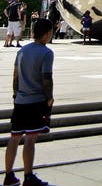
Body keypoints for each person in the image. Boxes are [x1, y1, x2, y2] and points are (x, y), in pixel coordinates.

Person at [4, 17, 54, 186]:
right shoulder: (46, 53)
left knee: (14, 137)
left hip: (20, 100)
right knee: (30, 139)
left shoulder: (22, 51)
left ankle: (8, 175)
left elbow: (15, 75)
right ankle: (28, 176)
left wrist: (15, 95)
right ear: (46, 34)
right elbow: (46, 77)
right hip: (36, 100)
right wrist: (49, 97)